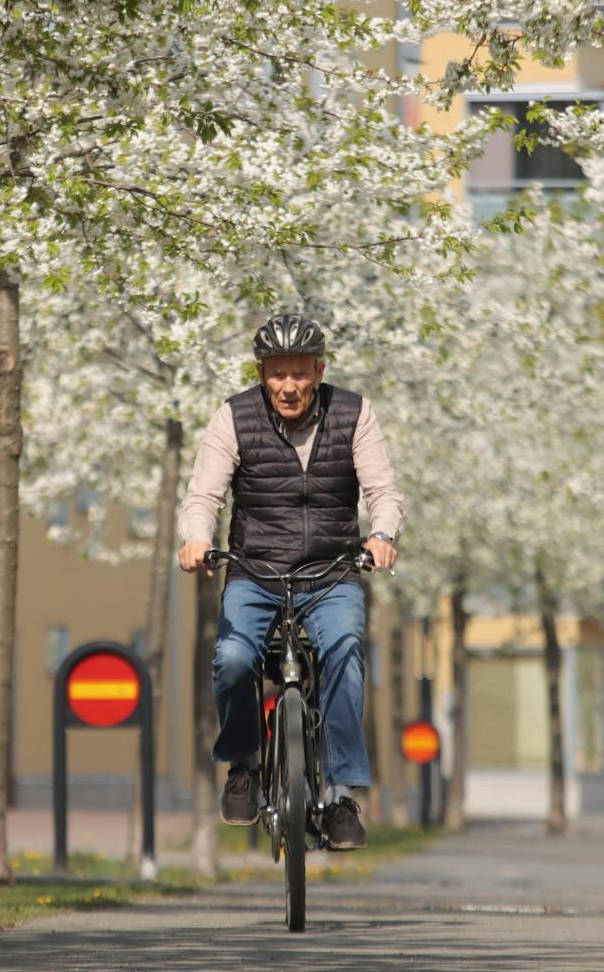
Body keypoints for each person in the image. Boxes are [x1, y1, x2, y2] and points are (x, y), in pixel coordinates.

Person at [178, 313, 404, 850]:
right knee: (234, 659)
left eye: (300, 373)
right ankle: (244, 765)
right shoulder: (233, 417)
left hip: (331, 572)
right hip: (255, 571)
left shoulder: (354, 414)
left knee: (345, 652)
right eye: (277, 373)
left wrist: (382, 534)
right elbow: (204, 495)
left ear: (319, 371)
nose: (288, 386)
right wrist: (196, 539)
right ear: (261, 373)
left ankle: (341, 794)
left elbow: (383, 491)